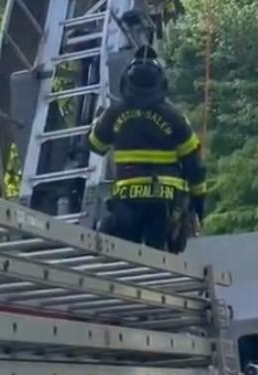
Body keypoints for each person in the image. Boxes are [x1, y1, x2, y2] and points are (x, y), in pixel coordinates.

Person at [88, 47, 208, 252]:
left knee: (121, 251)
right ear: (161, 83)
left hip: (126, 199)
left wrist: (97, 120)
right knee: (160, 255)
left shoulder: (113, 114)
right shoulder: (175, 117)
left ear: (126, 81)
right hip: (165, 202)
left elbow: (96, 145)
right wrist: (198, 204)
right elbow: (194, 165)